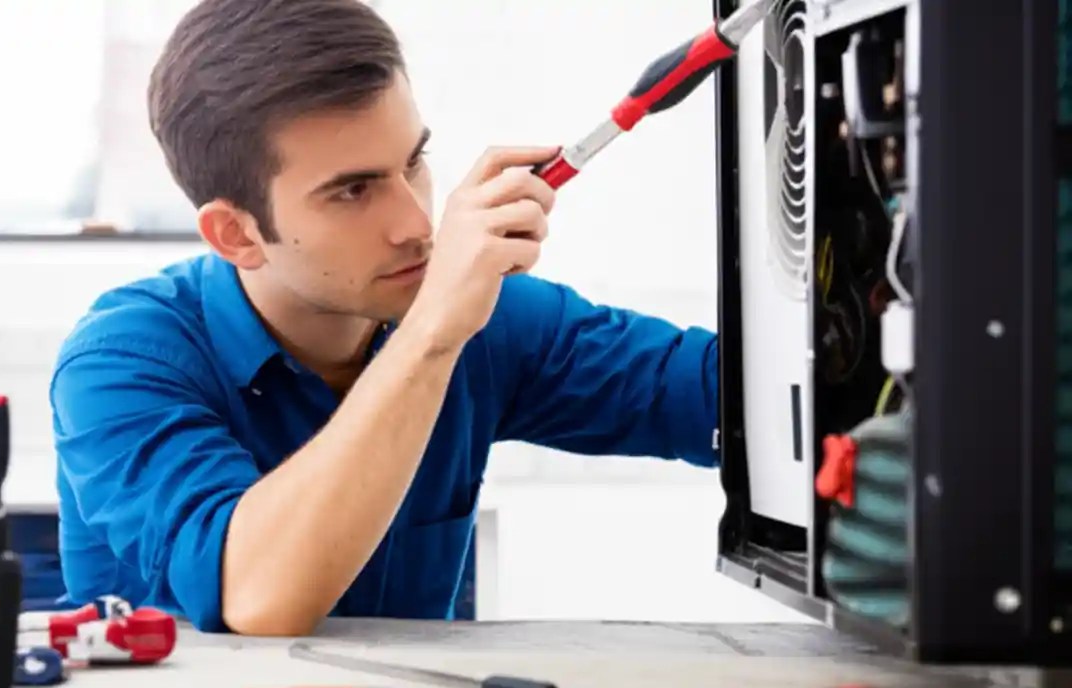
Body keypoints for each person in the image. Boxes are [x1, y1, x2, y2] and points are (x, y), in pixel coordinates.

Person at [50, 0, 720, 636]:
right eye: (352, 190)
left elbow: (731, 396)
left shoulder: (486, 319)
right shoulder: (120, 364)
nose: (417, 225)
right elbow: (257, 593)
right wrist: (432, 335)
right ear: (236, 235)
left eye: (414, 162)